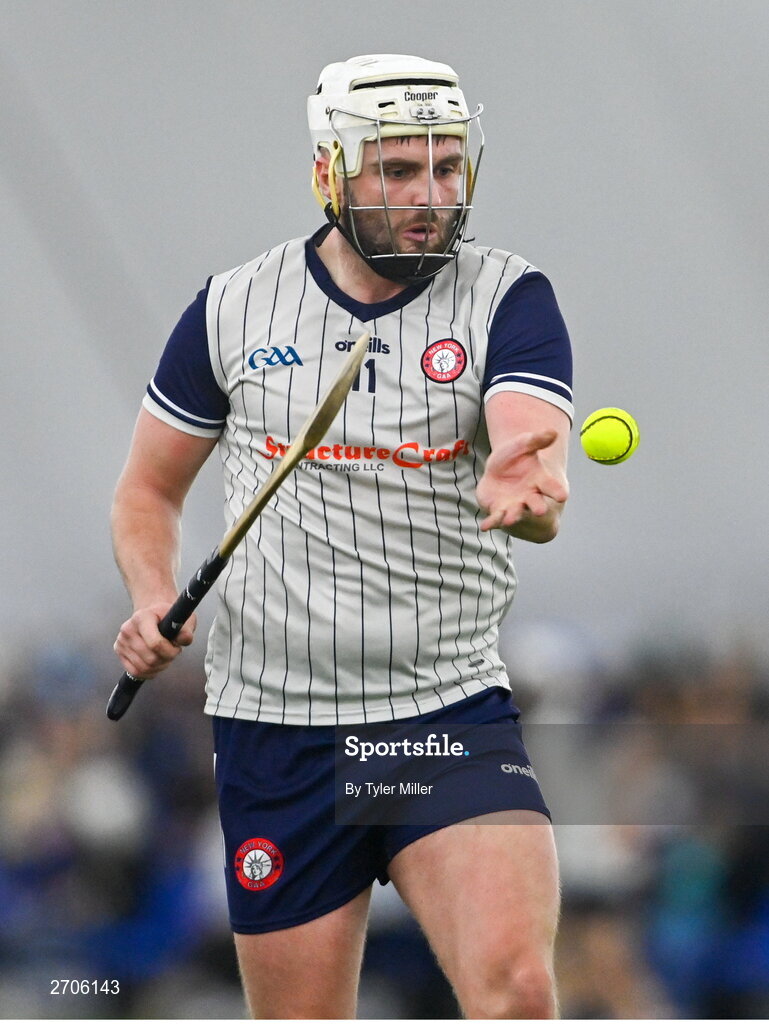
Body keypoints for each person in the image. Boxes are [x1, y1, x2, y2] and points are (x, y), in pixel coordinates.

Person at [112, 53, 572, 1019]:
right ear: (330, 173)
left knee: (520, 991)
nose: (431, 195)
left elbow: (532, 444)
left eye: (447, 167)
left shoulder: (507, 297)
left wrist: (527, 485)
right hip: (275, 731)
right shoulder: (234, 307)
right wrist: (152, 596)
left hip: (439, 711)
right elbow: (148, 493)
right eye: (398, 169)